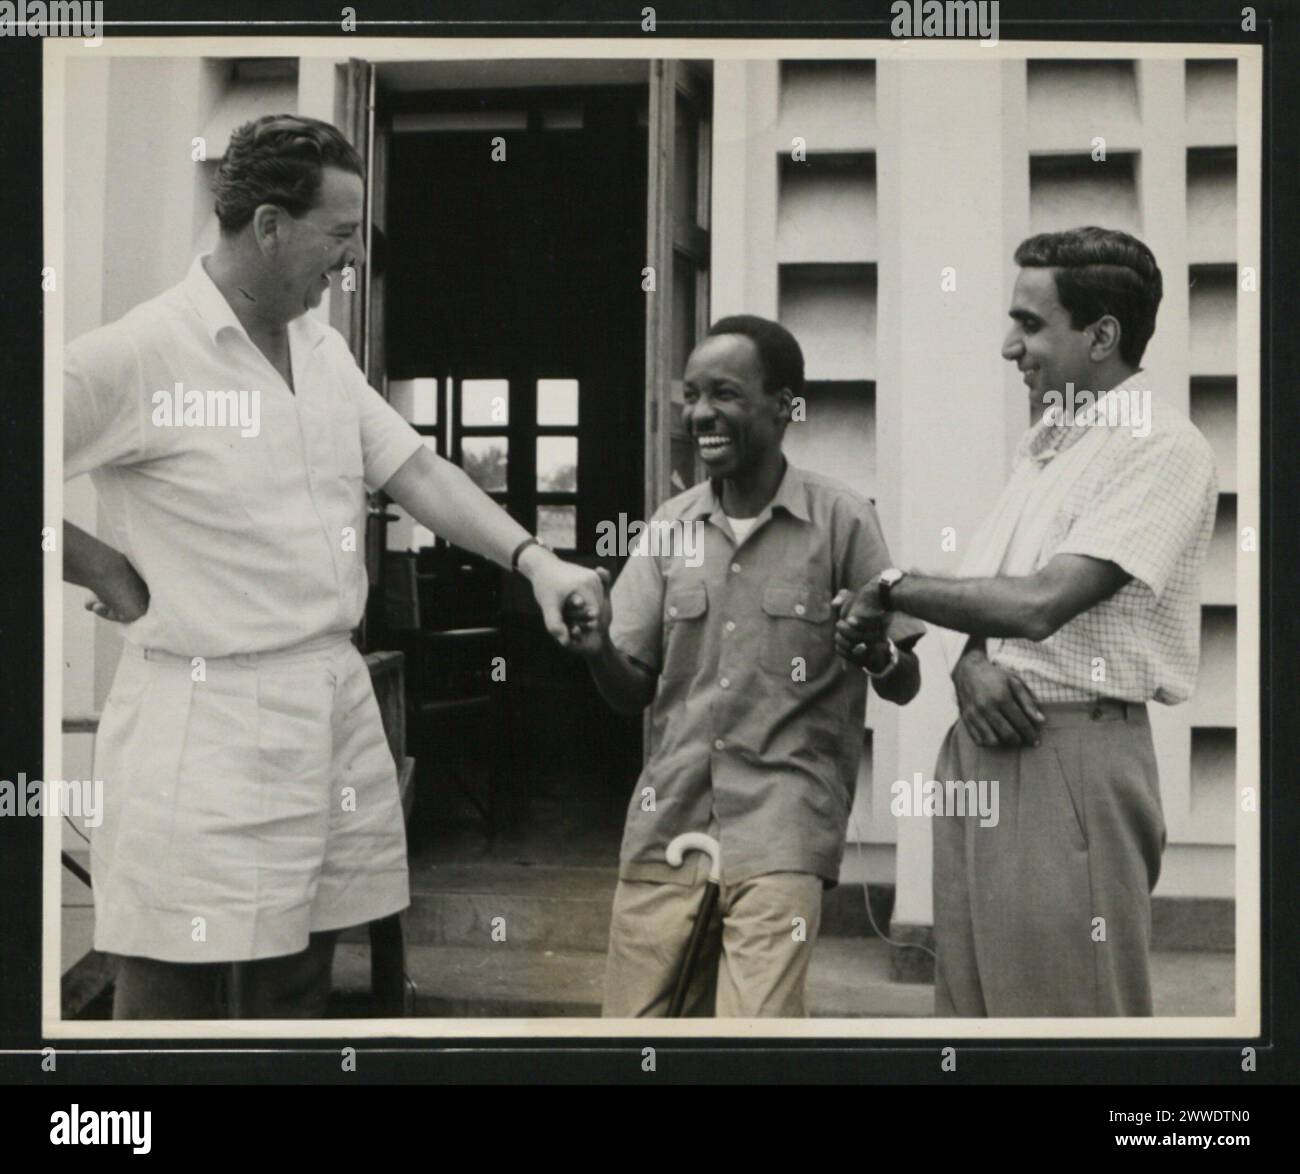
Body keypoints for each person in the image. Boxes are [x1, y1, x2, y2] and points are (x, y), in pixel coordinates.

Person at [62, 114, 603, 1019]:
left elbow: (416, 469)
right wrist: (99, 568)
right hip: (205, 719)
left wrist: (534, 559)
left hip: (328, 697)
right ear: (270, 226)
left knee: (302, 977)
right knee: (174, 986)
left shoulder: (319, 346)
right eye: (340, 239)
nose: (350, 264)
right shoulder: (139, 351)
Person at [837, 226, 1218, 1017]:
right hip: (985, 748)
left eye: (1031, 324)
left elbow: (1043, 602)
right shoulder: (1050, 442)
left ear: (1102, 335)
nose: (1011, 347)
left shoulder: (1161, 444)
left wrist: (893, 589)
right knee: (977, 1014)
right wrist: (969, 663)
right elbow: (998, 605)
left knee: (1068, 1020)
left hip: (1069, 756)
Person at [569, 315, 924, 1017]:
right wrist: (598, 649)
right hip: (666, 822)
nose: (701, 413)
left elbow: (905, 680)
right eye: (692, 396)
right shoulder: (668, 526)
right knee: (632, 1034)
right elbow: (632, 687)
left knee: (752, 1039)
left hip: (783, 830)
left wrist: (876, 651)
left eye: (725, 394)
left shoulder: (844, 521)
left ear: (783, 406)